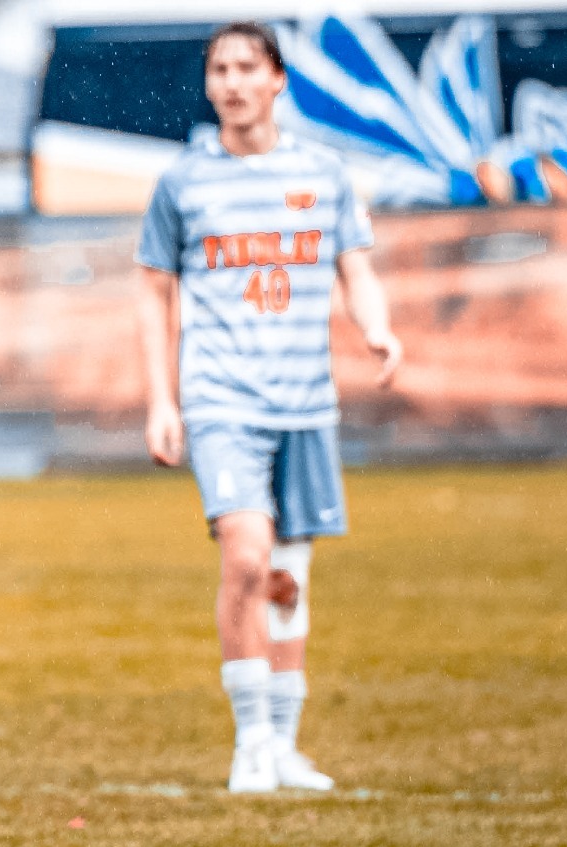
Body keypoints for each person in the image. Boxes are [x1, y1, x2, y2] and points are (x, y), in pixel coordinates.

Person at [135, 21, 402, 794]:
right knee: (247, 558)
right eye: (220, 68)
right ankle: (250, 740)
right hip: (222, 400)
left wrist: (377, 328)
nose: (232, 82)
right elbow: (153, 290)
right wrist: (162, 398)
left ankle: (284, 743)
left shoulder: (323, 173)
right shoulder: (183, 182)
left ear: (277, 79)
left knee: (287, 577)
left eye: (247, 67)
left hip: (306, 404)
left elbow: (356, 265)